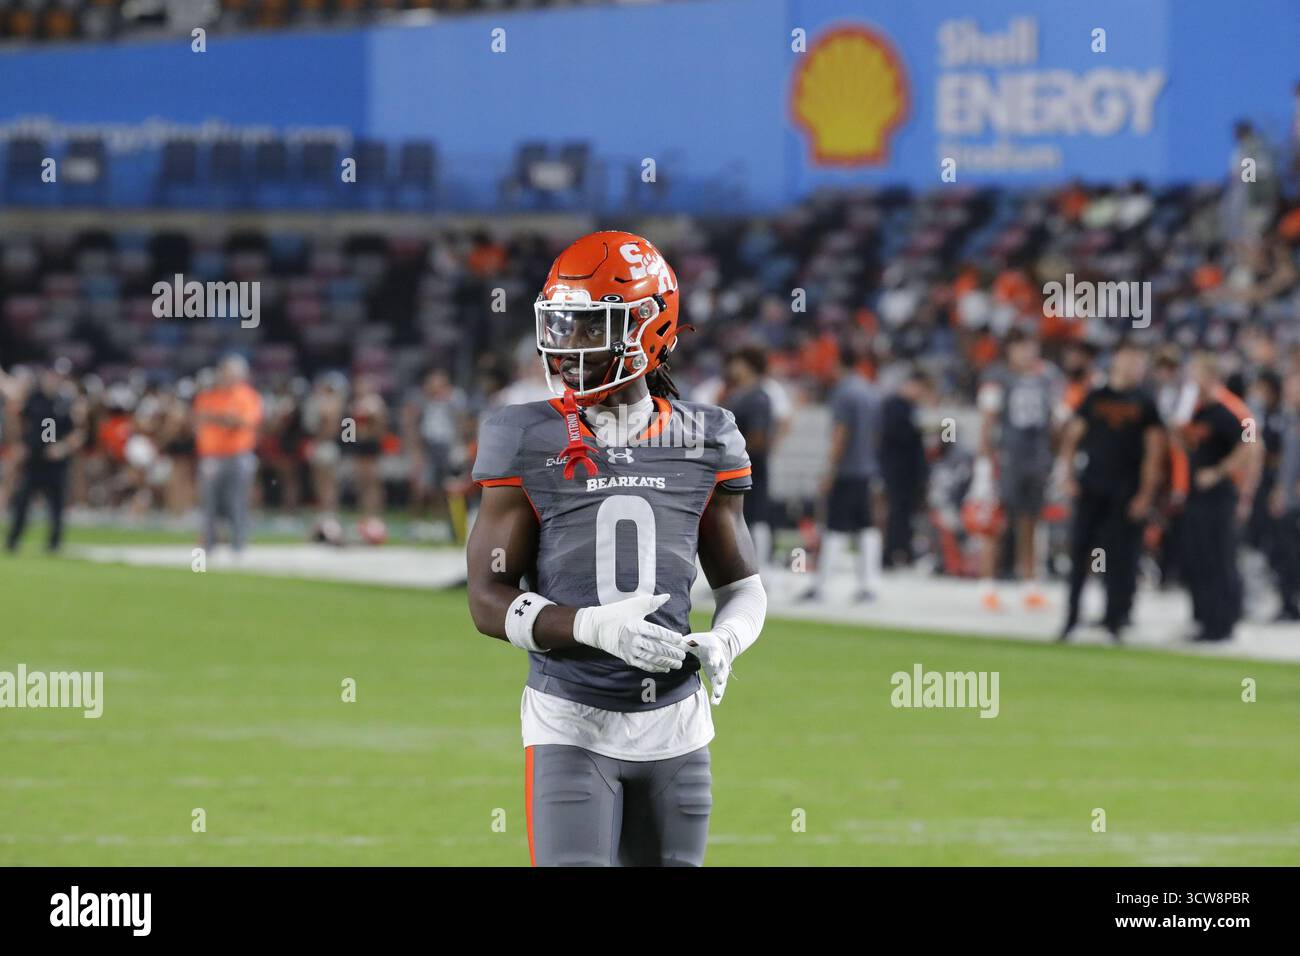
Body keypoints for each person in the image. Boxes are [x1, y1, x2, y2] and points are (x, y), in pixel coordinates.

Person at [466, 231, 766, 867]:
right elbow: (488, 598)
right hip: (570, 718)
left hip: (678, 726)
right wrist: (591, 627)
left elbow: (742, 585)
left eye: (587, 327)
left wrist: (727, 639)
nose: (565, 348)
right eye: (560, 324)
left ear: (647, 327)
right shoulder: (526, 435)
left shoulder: (704, 435)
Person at [1056, 340, 1165, 642]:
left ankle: (1114, 619)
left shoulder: (1146, 402)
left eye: (1138, 362)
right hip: (1093, 486)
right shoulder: (1096, 397)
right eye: (1129, 360)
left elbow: (1154, 452)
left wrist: (1145, 494)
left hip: (1126, 490)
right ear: (1116, 361)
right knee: (1080, 553)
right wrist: (1066, 475)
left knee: (1120, 557)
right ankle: (1071, 617)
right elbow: (1072, 436)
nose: (1134, 367)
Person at [1176, 353, 1262, 642]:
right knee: (1197, 555)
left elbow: (1251, 445)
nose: (1190, 380)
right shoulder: (1198, 409)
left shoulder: (1230, 409)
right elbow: (1187, 443)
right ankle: (1203, 617)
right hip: (1196, 494)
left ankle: (1222, 623)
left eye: (1195, 374)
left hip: (1221, 495)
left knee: (1219, 557)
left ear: (1211, 377)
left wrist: (1221, 473)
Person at [977, 329, 1061, 611]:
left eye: (1031, 347)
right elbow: (988, 422)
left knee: (1031, 523)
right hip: (1008, 458)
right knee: (996, 523)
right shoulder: (997, 378)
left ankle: (1029, 585)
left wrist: (1056, 458)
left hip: (1036, 459)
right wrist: (985, 462)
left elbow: (1055, 421)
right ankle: (988, 585)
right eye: (1021, 347)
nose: (1026, 354)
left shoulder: (1048, 378)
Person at [801, 346, 884, 603]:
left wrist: (830, 470)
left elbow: (840, 434)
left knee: (834, 526)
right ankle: (869, 584)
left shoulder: (844, 393)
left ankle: (822, 585)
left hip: (847, 470)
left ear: (839, 363)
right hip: (866, 467)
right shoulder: (870, 391)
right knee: (866, 527)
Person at [5, 360, 85, 554]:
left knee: (56, 506)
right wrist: (21, 442)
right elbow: (18, 418)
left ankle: (54, 545)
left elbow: (78, 433)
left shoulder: (67, 403)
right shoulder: (35, 399)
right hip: (35, 459)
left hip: (55, 462)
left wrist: (62, 447)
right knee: (23, 501)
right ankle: (13, 541)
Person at [194, 354, 263, 555]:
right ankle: (208, 545)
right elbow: (200, 418)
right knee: (209, 501)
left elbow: (245, 422)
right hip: (212, 455)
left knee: (238, 501)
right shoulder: (209, 395)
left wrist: (219, 418)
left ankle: (239, 545)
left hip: (239, 454)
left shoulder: (248, 396)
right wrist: (225, 419)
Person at [719, 346, 774, 567]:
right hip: (737, 463)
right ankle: (740, 568)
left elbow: (758, 437)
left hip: (751, 464)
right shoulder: (738, 394)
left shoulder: (758, 397)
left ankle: (761, 569)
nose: (733, 367)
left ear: (748, 365)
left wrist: (738, 455)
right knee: (738, 518)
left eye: (738, 362)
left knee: (756, 518)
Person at [880, 368, 931, 568]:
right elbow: (895, 435)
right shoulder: (893, 406)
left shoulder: (911, 408)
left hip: (909, 471)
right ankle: (890, 554)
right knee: (896, 513)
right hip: (896, 470)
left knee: (906, 514)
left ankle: (905, 551)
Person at [1269, 369, 1300, 621]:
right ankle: (1289, 603)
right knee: (1286, 554)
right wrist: (1280, 490)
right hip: (1289, 500)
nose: (1289, 392)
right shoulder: (1290, 419)